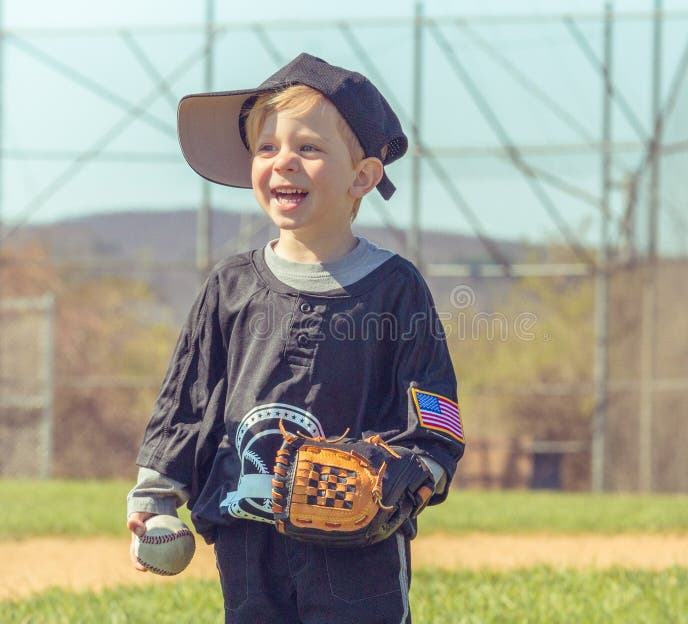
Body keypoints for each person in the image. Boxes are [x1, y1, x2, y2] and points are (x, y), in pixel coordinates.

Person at [127, 53, 465, 623]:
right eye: (267, 148)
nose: (283, 162)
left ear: (363, 175)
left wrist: (413, 477)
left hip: (357, 547)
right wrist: (156, 497)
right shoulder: (230, 286)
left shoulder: (394, 289)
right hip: (246, 534)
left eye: (308, 148)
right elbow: (187, 399)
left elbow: (434, 417)